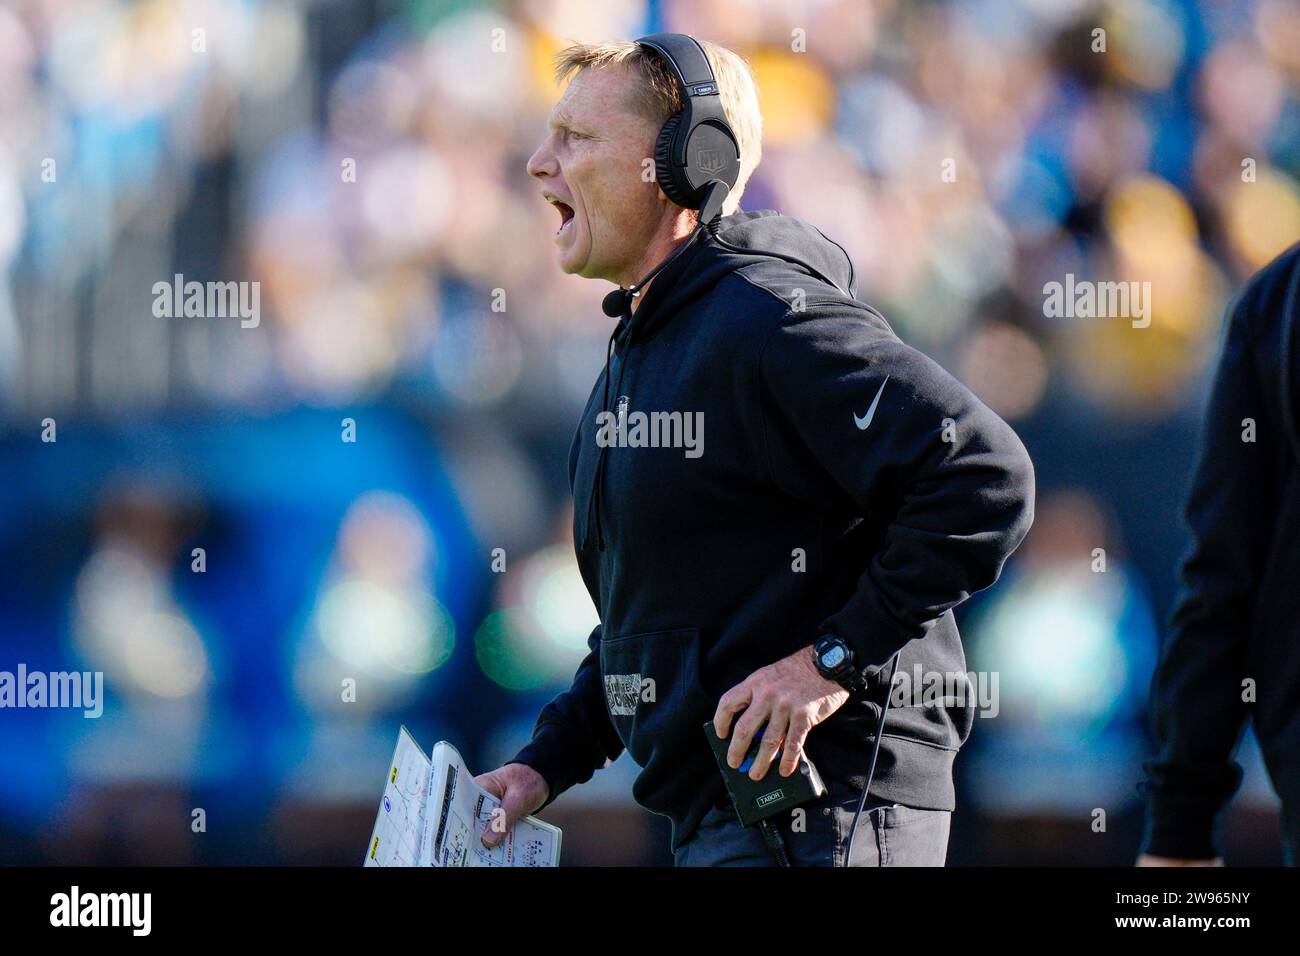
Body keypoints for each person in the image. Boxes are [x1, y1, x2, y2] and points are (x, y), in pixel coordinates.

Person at [475, 33, 1035, 867]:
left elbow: (984, 474)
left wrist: (829, 662)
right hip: (732, 821)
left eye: (578, 138)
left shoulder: (767, 317)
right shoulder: (645, 346)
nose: (538, 163)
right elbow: (651, 626)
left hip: (827, 814)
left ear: (686, 159)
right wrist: (545, 763)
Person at [1138, 241, 1300, 867]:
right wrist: (1179, 822)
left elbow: (1224, 572)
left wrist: (1179, 826)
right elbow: (1228, 569)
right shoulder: (1275, 302)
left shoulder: (1276, 298)